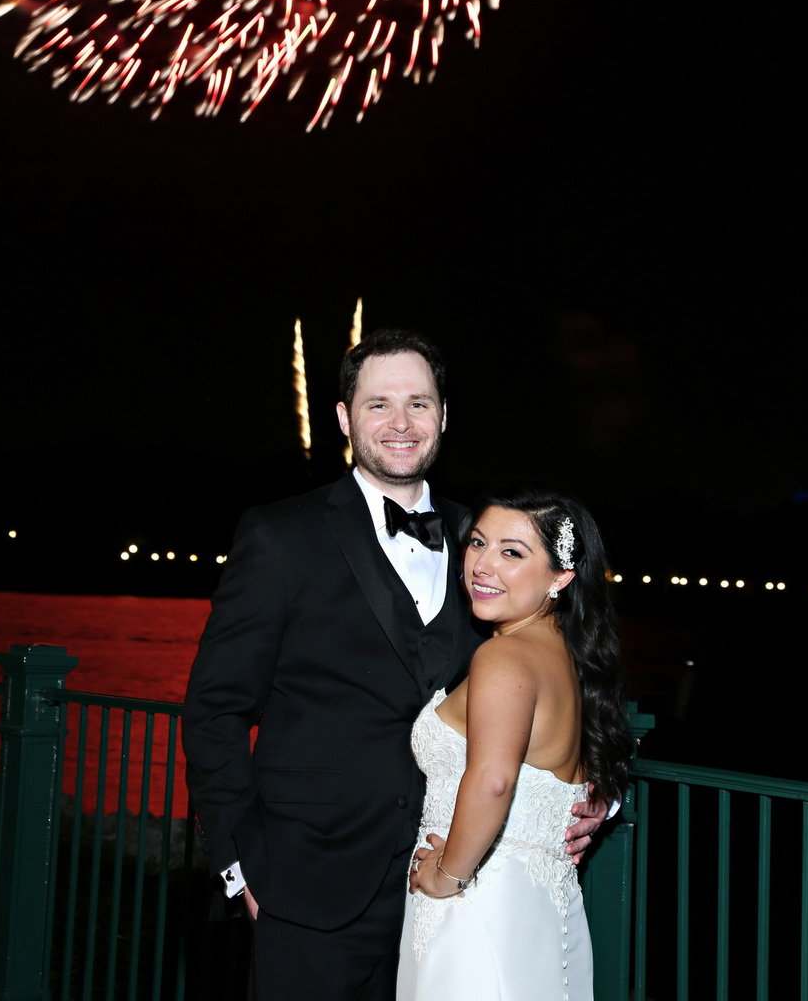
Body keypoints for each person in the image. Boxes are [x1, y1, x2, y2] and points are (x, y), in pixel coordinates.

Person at [182, 330, 608, 1000]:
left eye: (420, 403)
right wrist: (243, 865)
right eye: (379, 405)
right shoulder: (280, 534)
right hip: (307, 887)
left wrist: (592, 795)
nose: (402, 424)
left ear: (445, 415)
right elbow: (216, 709)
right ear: (345, 418)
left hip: (453, 890)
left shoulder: (489, 544)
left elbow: (571, 676)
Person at [398, 487, 634, 1001]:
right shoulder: (565, 657)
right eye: (478, 543)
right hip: (541, 909)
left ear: (560, 577)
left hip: (478, 904)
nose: (482, 565)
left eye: (512, 553)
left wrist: (448, 876)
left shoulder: (503, 659)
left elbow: (494, 778)